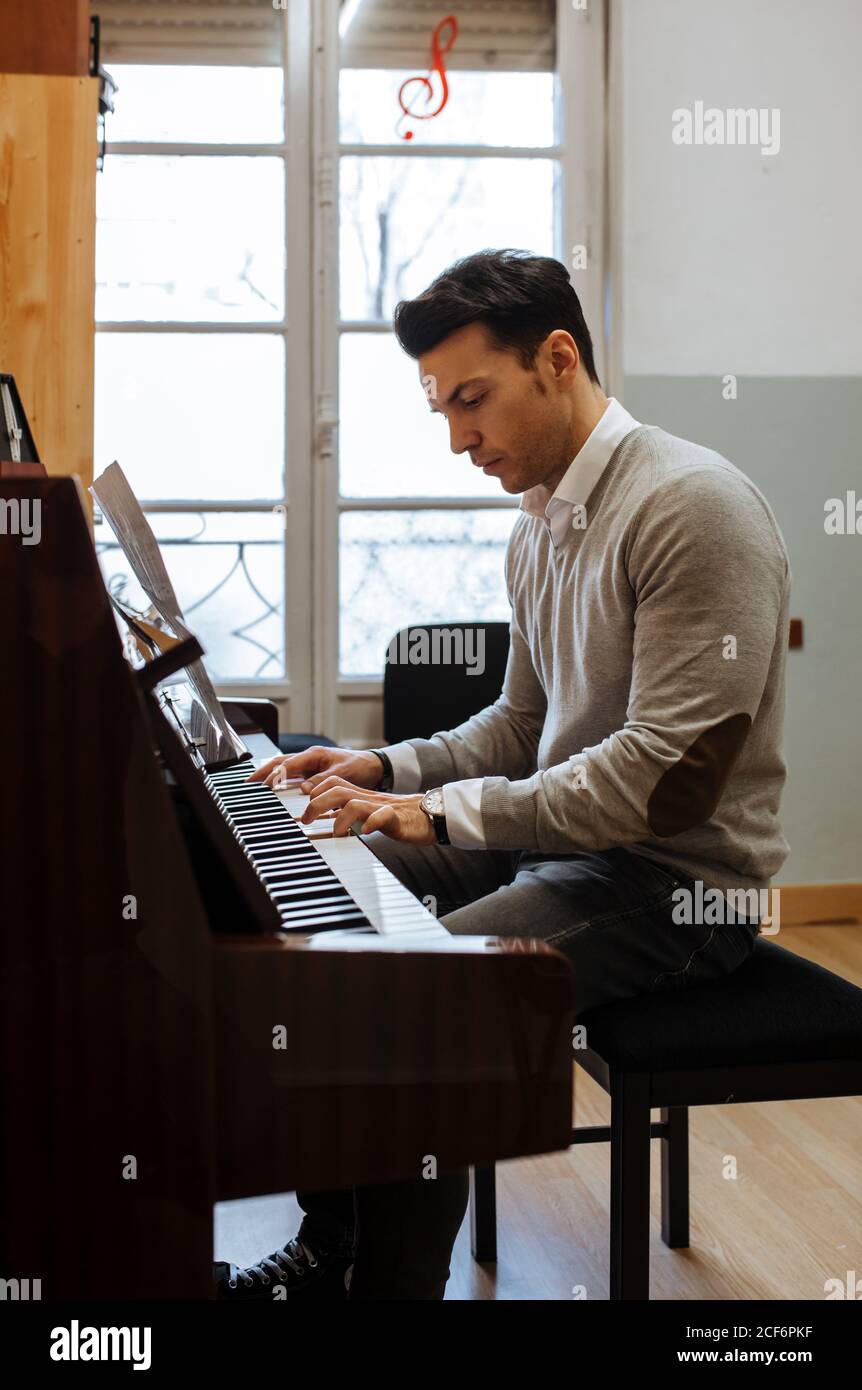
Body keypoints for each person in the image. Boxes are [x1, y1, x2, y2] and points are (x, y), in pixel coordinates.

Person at [214, 248, 791, 1301]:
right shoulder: (540, 523)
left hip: (672, 888)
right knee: (314, 921)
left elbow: (661, 784)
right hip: (557, 845)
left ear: (557, 359)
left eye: (471, 401)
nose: (458, 439)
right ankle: (332, 1247)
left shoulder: (693, 507)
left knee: (414, 1009)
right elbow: (521, 727)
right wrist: (384, 765)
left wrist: (433, 812)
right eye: (440, 409)